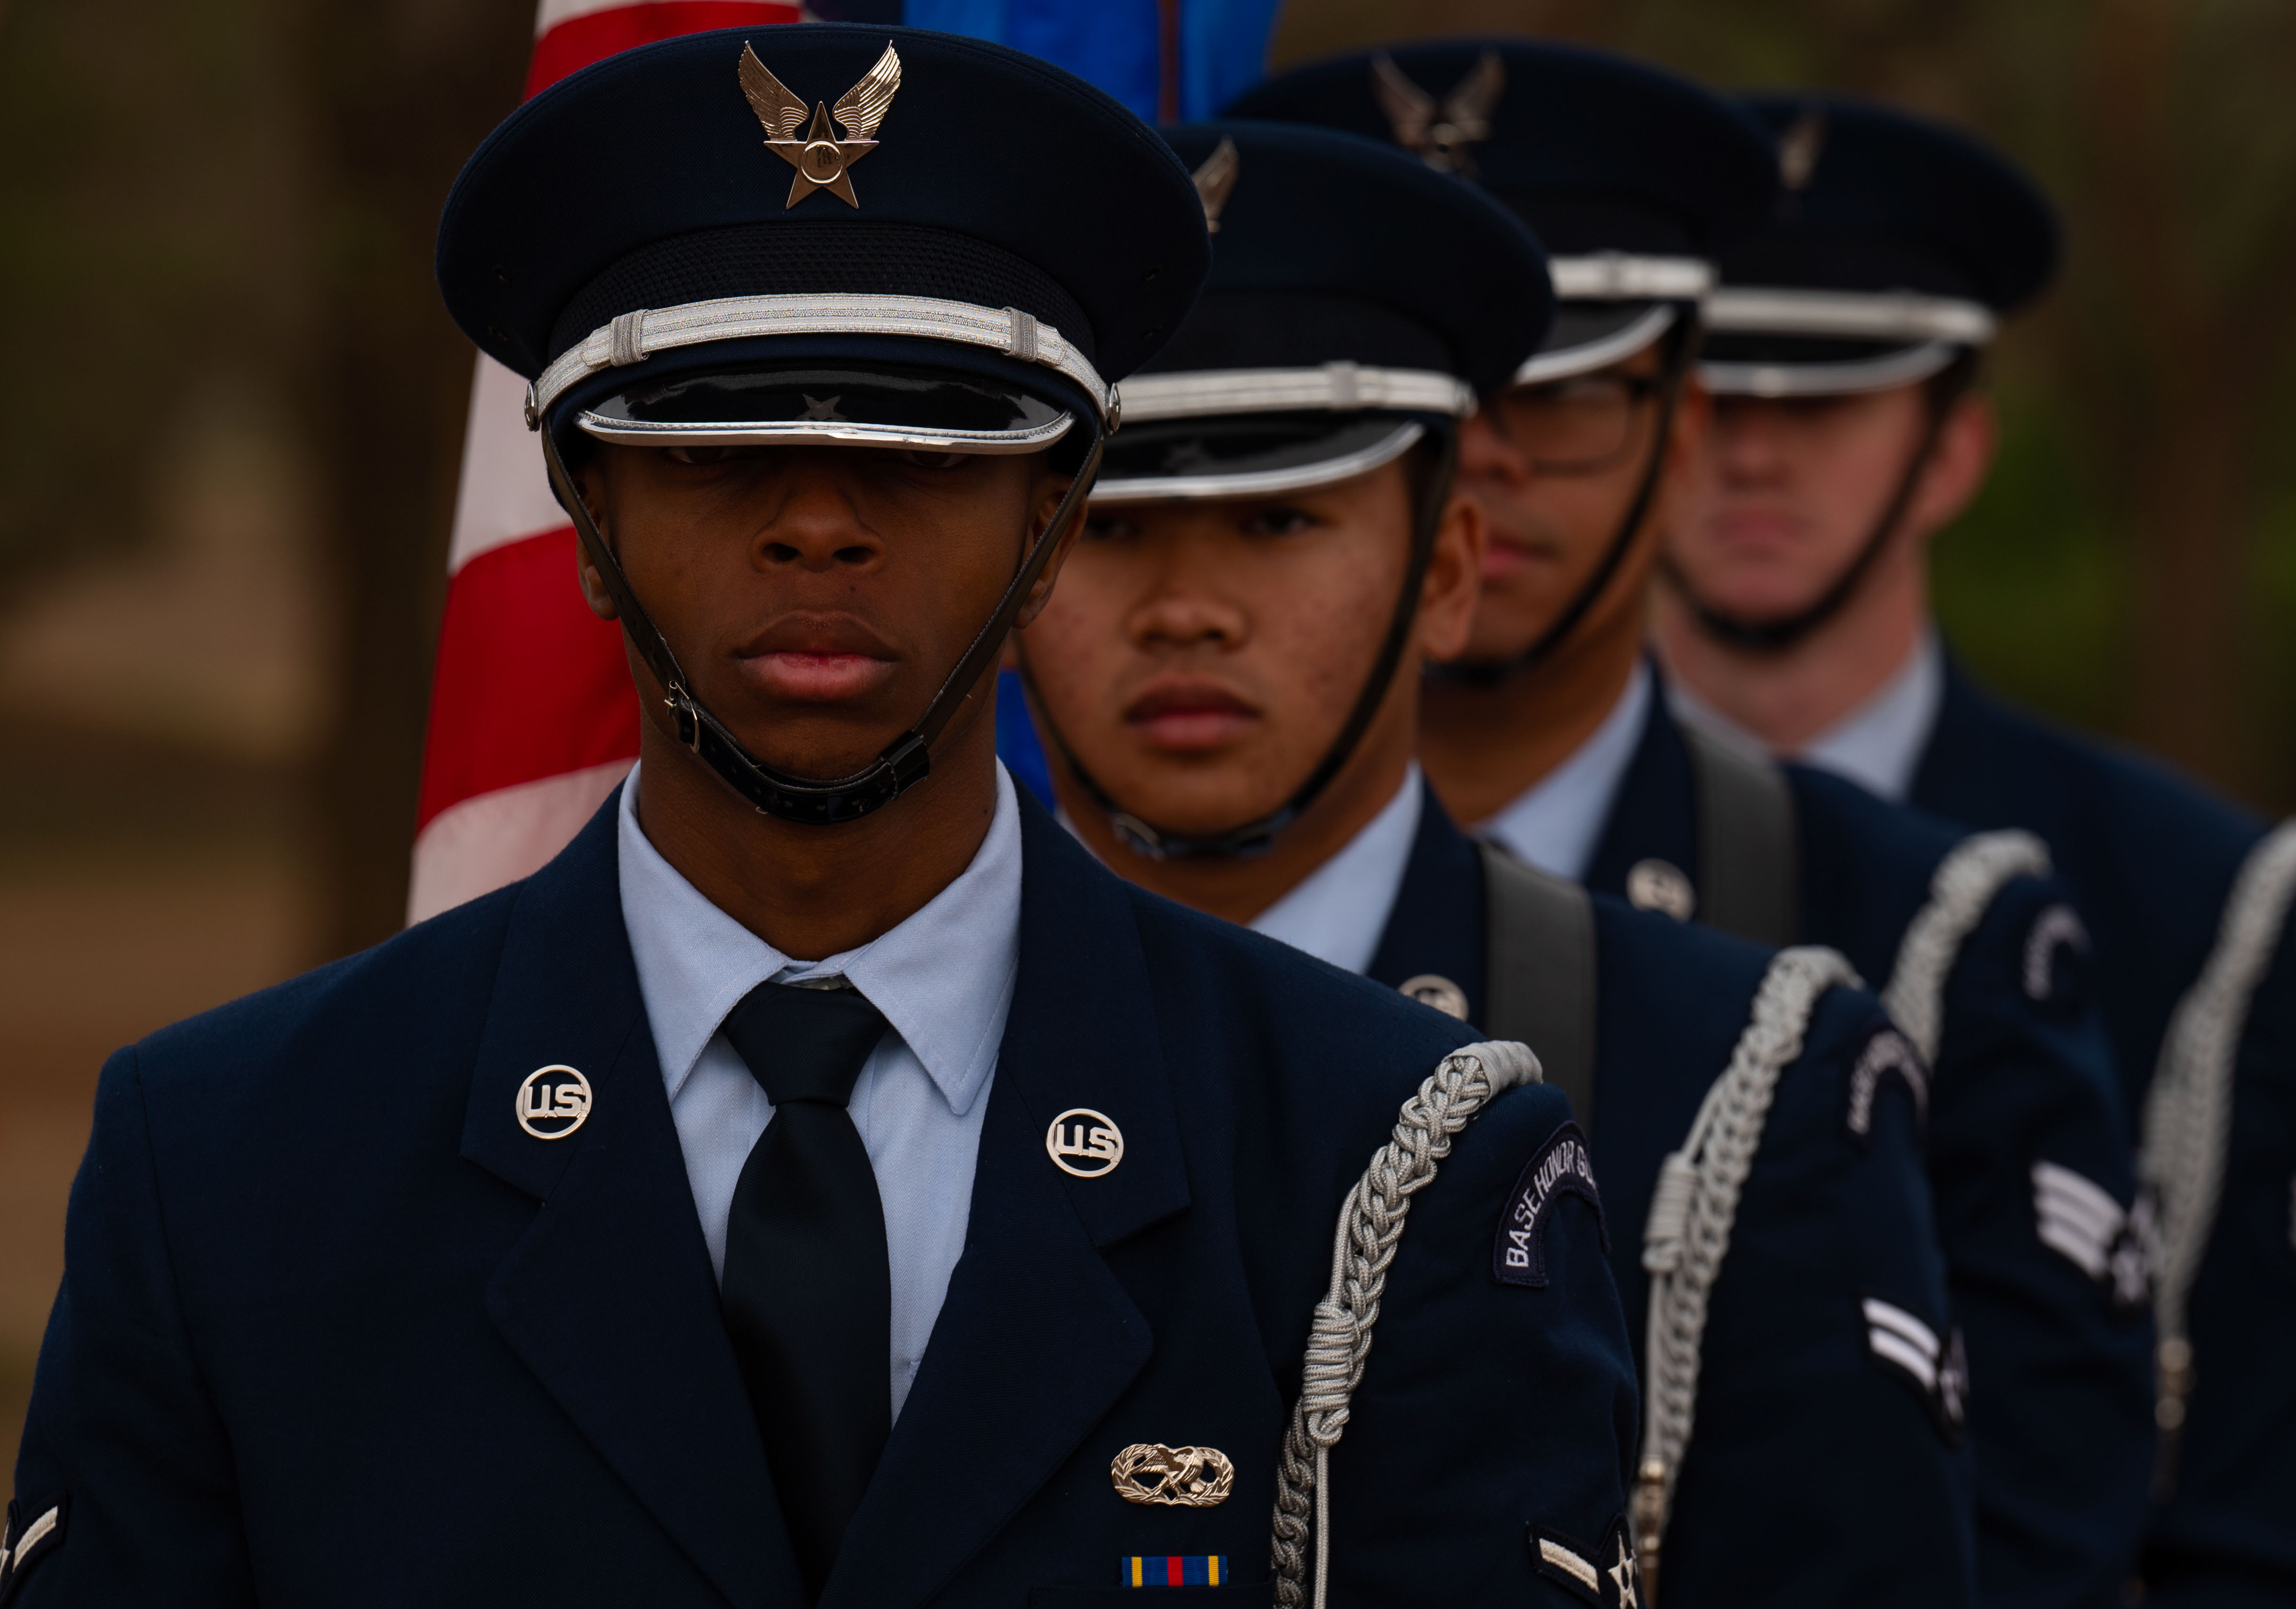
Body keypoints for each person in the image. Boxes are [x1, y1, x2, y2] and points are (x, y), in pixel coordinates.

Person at [0, 28, 1642, 1608]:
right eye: (716, 451)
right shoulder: (232, 1172)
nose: (816, 525)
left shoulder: (1386, 1166)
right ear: (584, 516)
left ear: (1054, 523)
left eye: (923, 453)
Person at [1232, 42, 2157, 1609]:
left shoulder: (1924, 940)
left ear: (1681, 419)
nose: (1490, 451)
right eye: (1414, 400)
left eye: (1566, 385)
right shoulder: (1109, 938)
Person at [1011, 115, 1974, 1609]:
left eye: (1278, 519)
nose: (1187, 608)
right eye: (1114, 522)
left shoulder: (1752, 1076)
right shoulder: (865, 1048)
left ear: (1447, 573)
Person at [1652, 92, 2296, 1607]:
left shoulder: (2200, 900)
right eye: (1701, 398)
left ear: (1953, 450)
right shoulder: (1475, 836)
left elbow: (2286, 1536)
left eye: (1822, 402)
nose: (1749, 456)